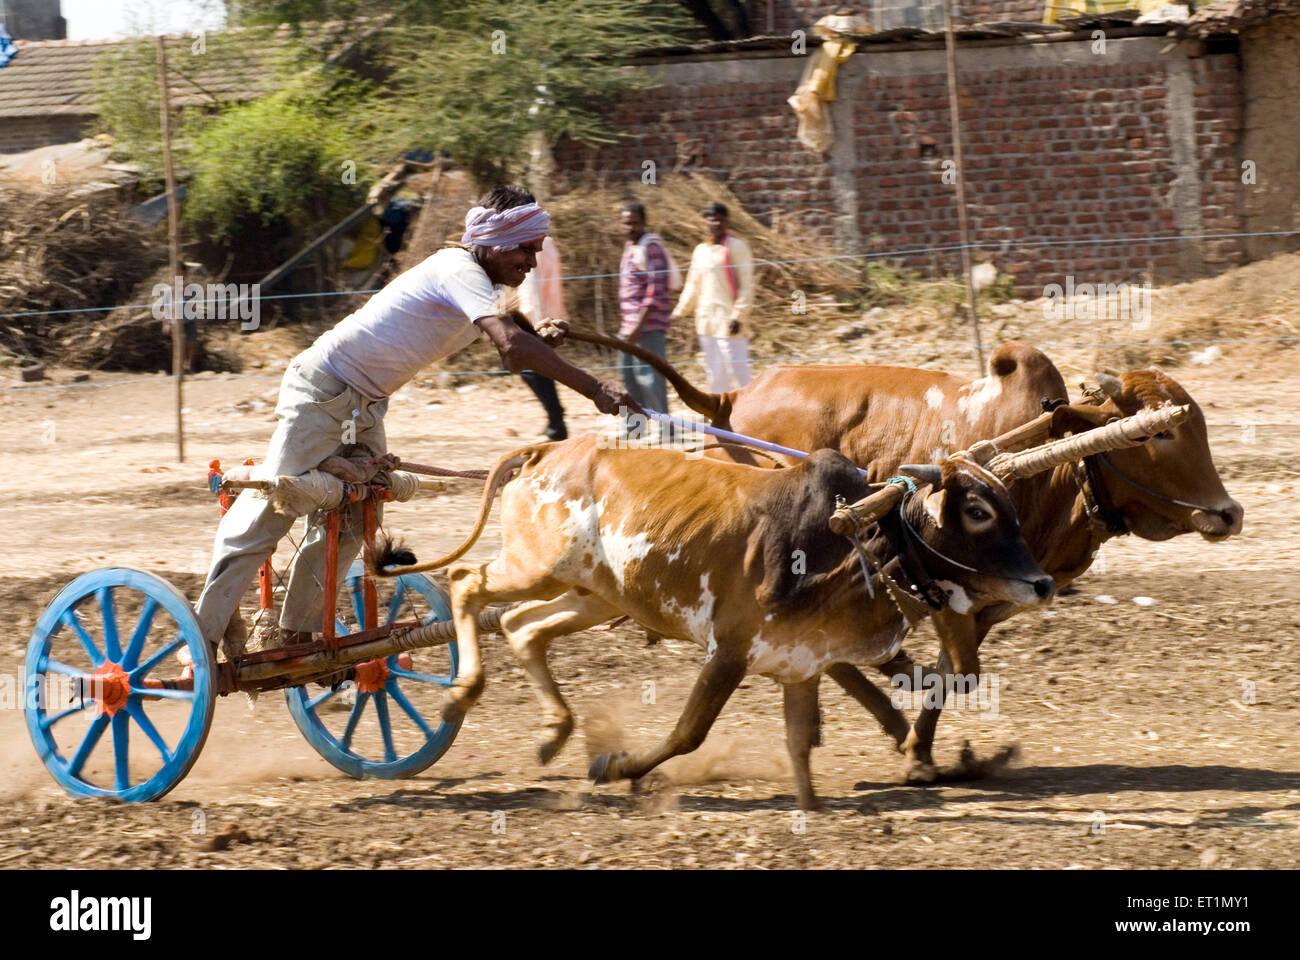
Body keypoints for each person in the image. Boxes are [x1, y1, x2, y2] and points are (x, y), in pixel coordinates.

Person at [193, 185, 640, 657]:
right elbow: (510, 346)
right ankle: (201, 634)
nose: (532, 260)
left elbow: (515, 339)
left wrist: (541, 335)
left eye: (536, 249)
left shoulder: (483, 286)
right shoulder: (458, 268)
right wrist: (594, 389)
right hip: (321, 390)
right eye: (525, 248)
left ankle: (297, 633)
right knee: (273, 507)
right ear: (491, 240)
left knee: (354, 519)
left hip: (363, 404)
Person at [671, 202, 754, 393]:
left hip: (730, 322)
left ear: (726, 221)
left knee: (739, 373)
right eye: (711, 219)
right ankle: (720, 420)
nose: (715, 223)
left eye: (719, 219)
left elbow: (747, 285)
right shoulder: (701, 250)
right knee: (715, 376)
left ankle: (751, 417)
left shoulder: (737, 246)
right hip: (706, 321)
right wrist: (679, 313)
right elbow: (693, 285)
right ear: (705, 222)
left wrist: (738, 316)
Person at [617, 201, 678, 442]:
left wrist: (638, 326)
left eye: (634, 222)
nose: (630, 227)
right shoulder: (630, 246)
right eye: (626, 222)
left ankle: (667, 431)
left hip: (647, 326)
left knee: (650, 378)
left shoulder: (651, 247)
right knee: (629, 377)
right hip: (629, 325)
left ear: (644, 222)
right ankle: (635, 428)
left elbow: (655, 288)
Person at [515, 235, 569, 440]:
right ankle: (554, 419)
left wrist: (537, 321)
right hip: (542, 314)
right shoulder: (549, 243)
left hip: (535, 317)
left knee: (531, 369)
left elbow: (535, 285)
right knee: (538, 370)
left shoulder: (534, 244)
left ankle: (556, 421)